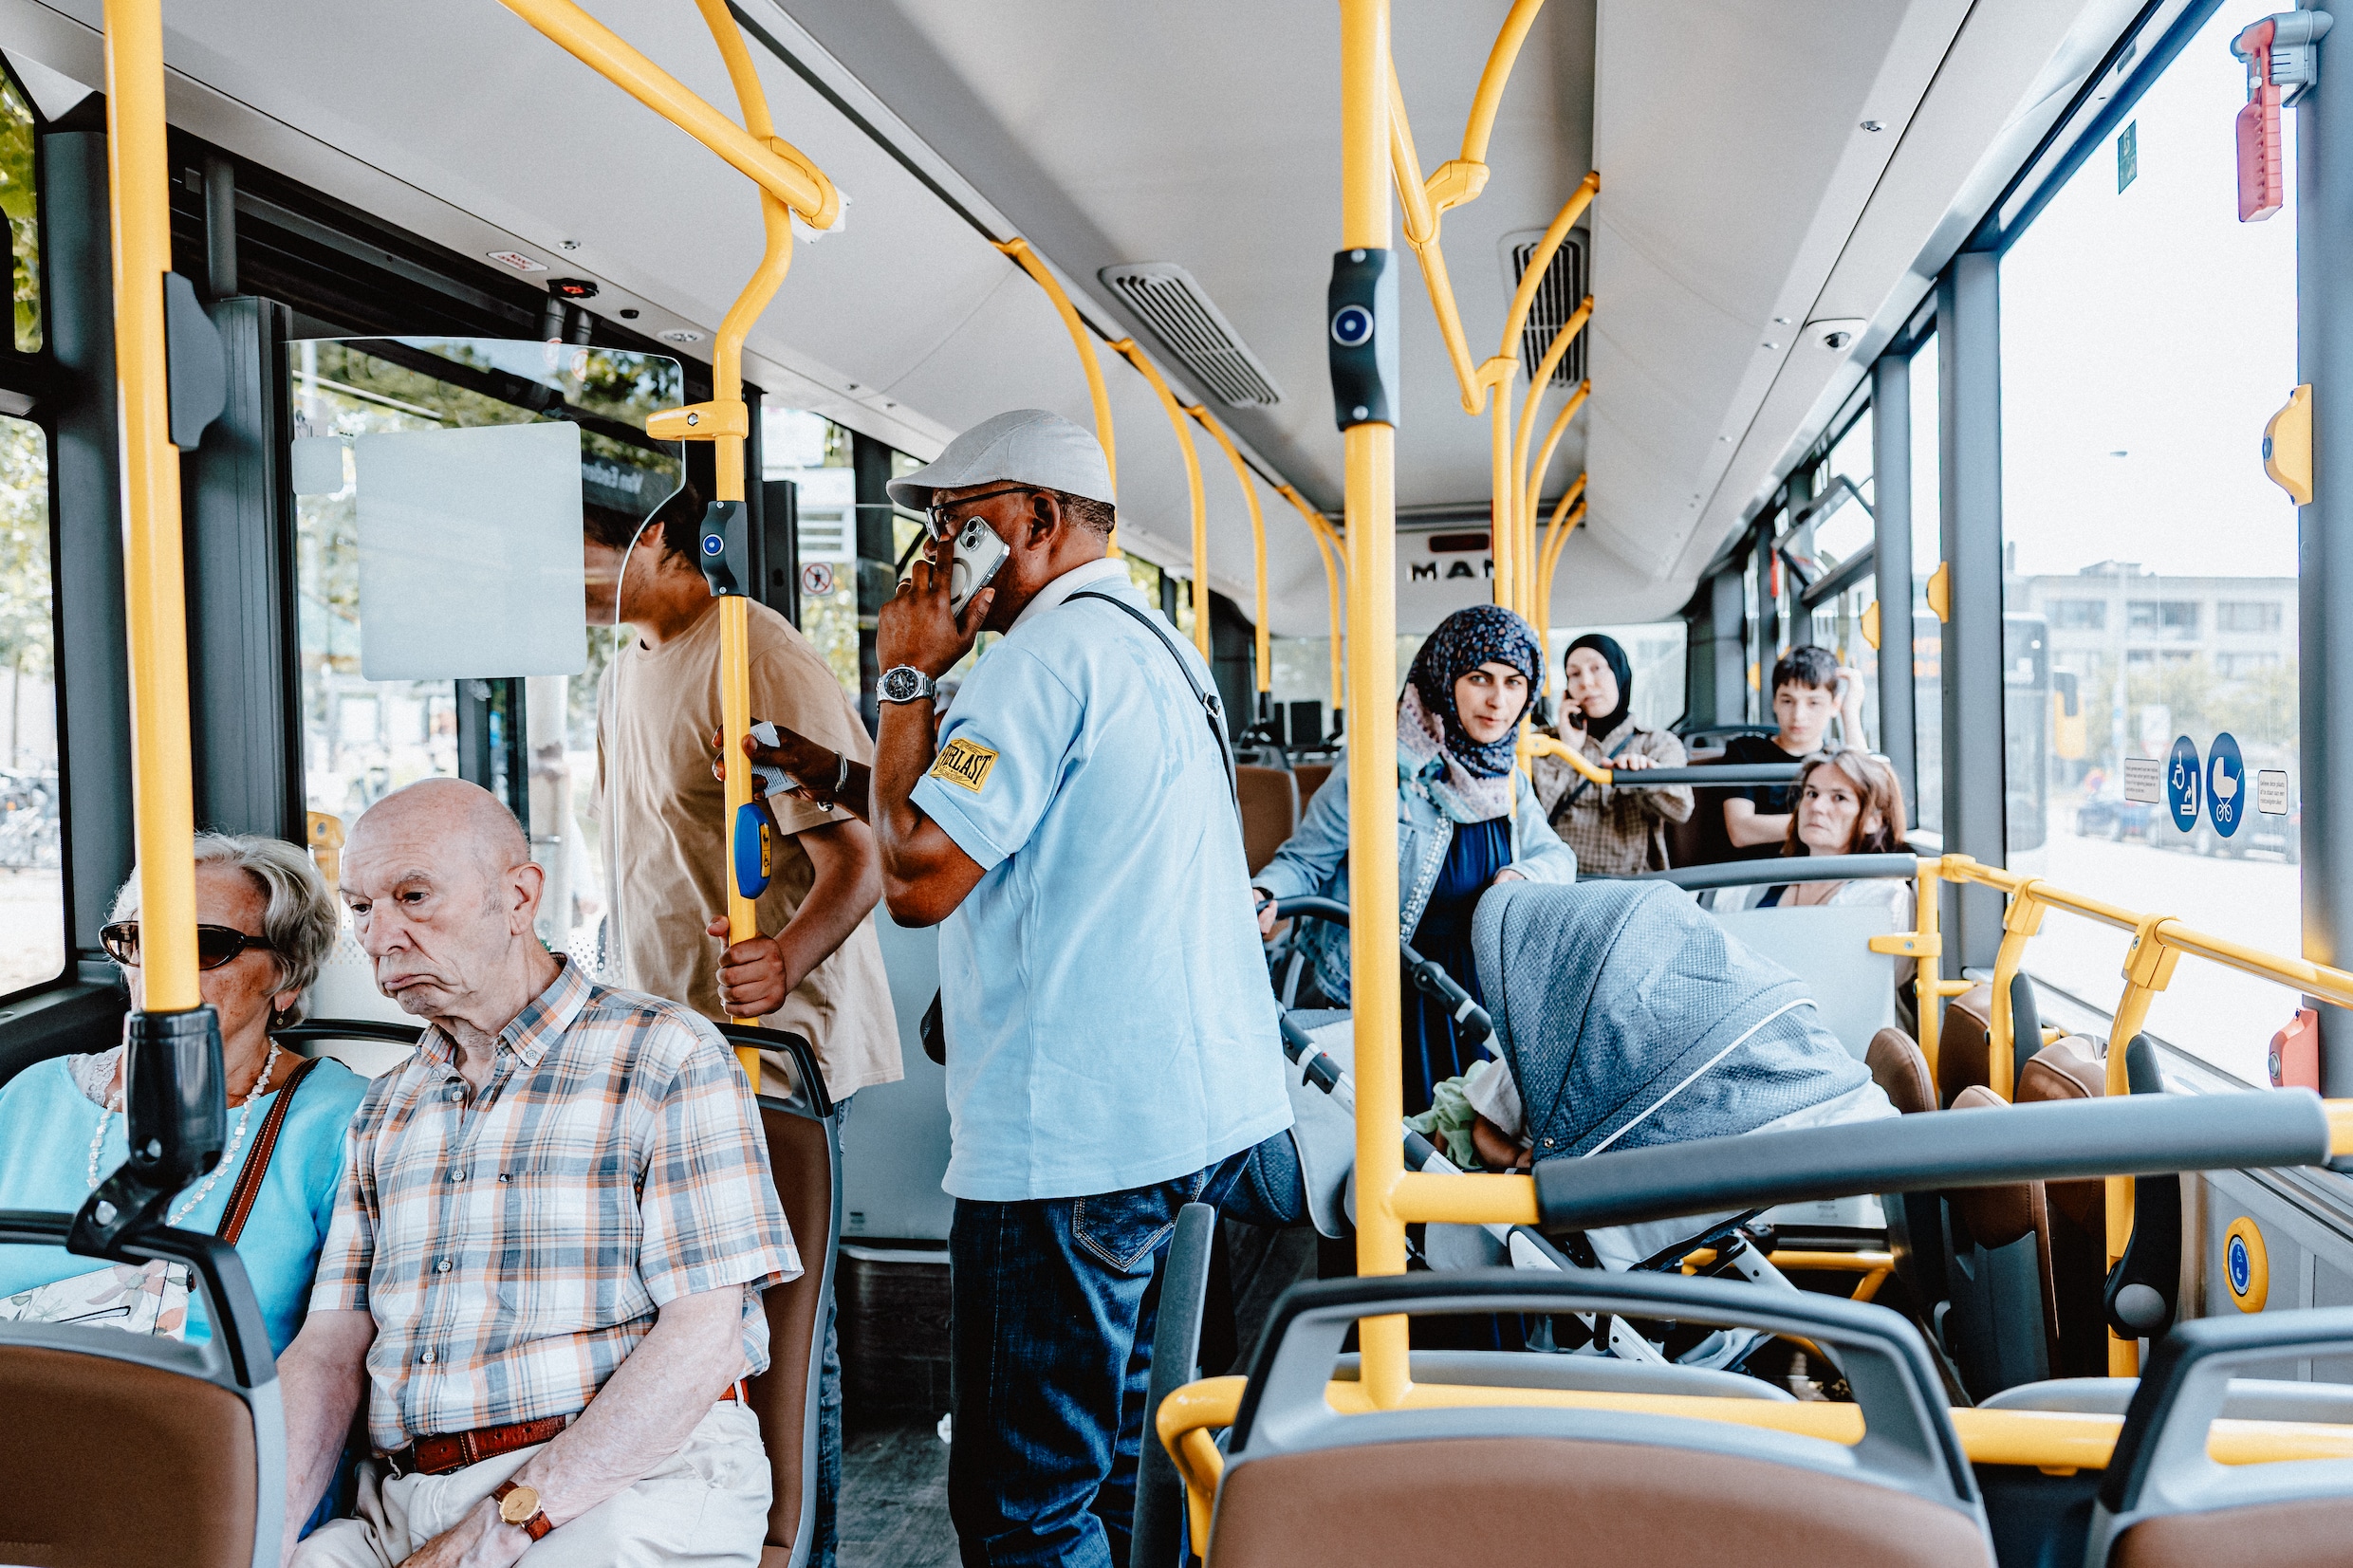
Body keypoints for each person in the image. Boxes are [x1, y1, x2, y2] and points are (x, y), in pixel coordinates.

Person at [751, 407, 1290, 1568]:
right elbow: (1016, 825)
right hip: (1168, 1121)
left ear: (1036, 520)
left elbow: (916, 877)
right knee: (1111, 1470)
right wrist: (844, 772)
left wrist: (902, 676)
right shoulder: (1149, 645)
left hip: (1067, 1146)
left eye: (957, 523)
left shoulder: (1034, 663)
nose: (934, 558)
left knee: (1021, 1509)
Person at [280, 779, 801, 1568]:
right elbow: (329, 1348)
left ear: (519, 897)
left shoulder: (664, 1055)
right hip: (403, 1503)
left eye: (413, 896)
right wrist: (251, 1537)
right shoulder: (386, 1108)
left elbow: (705, 1340)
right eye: (359, 907)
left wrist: (502, 1525)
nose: (381, 933)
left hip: (624, 1482)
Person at [583, 485, 901, 1105]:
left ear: (649, 532)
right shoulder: (616, 678)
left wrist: (784, 959)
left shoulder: (756, 657)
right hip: (669, 1050)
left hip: (767, 1053)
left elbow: (863, 856)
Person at [0, 833, 365, 1354]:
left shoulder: (340, 1120)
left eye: (206, 946)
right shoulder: (31, 1100)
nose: (162, 969)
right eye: (142, 939)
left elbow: (339, 1352)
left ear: (286, 975)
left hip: (203, 1426)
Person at [1460, 878, 1897, 1267]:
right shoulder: (1530, 1057)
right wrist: (1522, 1162)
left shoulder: (1622, 1028)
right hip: (1587, 1177)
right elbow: (1482, 1129)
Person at [1251, 604, 1578, 1115]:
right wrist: (1265, 894)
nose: (1499, 701)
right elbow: (1306, 861)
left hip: (1482, 992)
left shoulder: (1504, 775)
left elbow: (1554, 855)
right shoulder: (1378, 763)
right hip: (1393, 987)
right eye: (1479, 678)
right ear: (1445, 679)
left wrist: (1522, 874)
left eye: (1515, 683)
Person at [1712, 747, 1917, 996]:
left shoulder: (1884, 896)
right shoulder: (1761, 881)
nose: (1817, 806)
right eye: (1811, 793)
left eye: (1839, 798)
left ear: (1874, 820)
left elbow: (1865, 986)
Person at [1531, 632, 1693, 876]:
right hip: (1561, 880)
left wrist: (1645, 777)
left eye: (1596, 668)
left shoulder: (1657, 743)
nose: (1585, 682)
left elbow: (1681, 810)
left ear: (1620, 675)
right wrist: (1566, 749)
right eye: (1574, 674)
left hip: (1633, 881)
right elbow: (1530, 815)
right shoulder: (1545, 741)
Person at [1722, 644, 1866, 857]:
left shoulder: (1835, 758)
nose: (1798, 715)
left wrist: (1850, 713)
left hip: (1820, 874)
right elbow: (1741, 831)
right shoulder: (1745, 751)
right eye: (1788, 701)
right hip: (1756, 873)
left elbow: (1868, 796)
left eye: (1813, 703)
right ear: (1774, 703)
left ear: (1834, 705)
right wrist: (1827, 823)